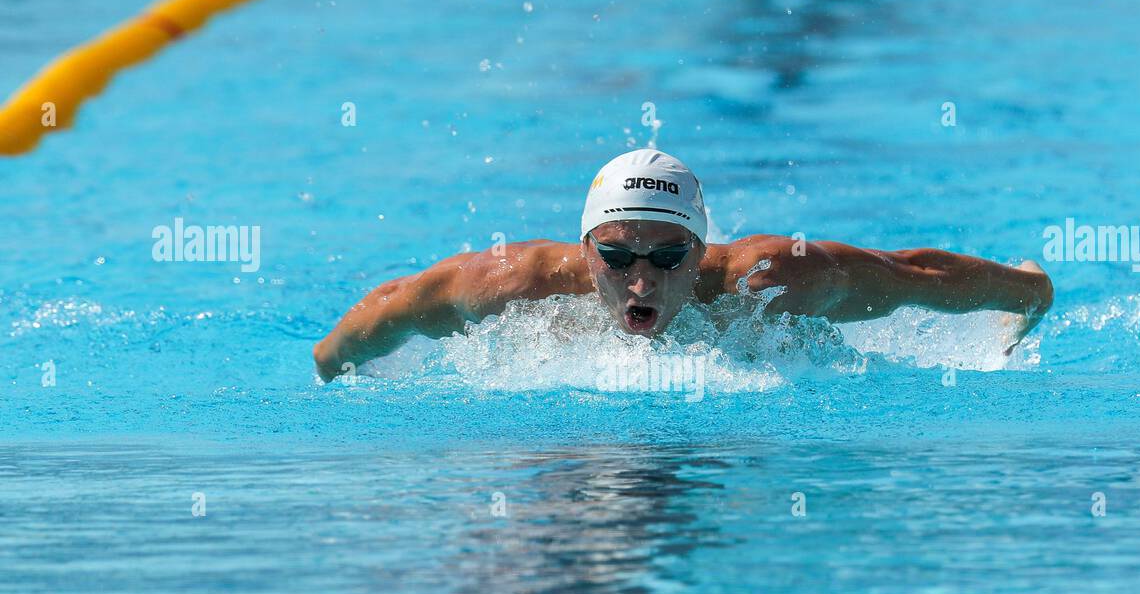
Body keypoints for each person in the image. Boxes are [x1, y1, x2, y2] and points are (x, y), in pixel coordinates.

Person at [314, 148, 1053, 381]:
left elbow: (909, 277)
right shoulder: (514, 286)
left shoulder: (771, 283)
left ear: (701, 251)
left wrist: (1028, 290)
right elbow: (392, 307)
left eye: (668, 257)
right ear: (585, 252)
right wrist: (330, 364)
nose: (642, 280)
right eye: (618, 257)